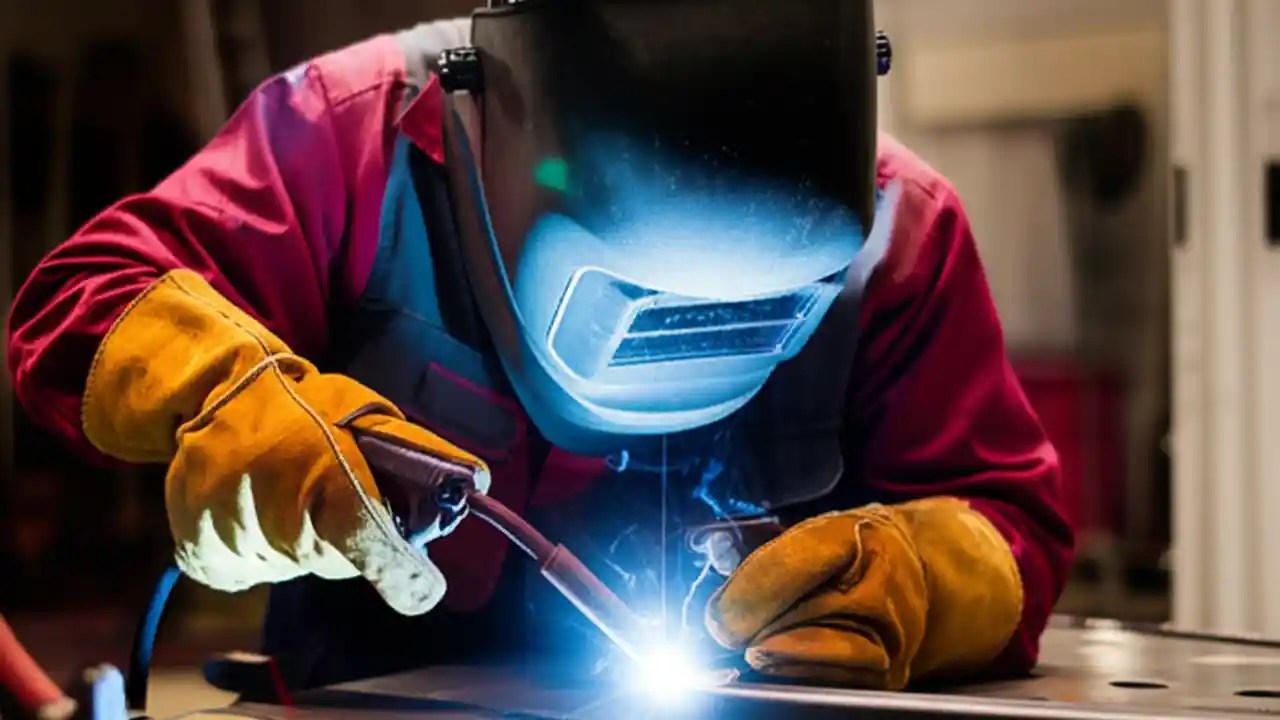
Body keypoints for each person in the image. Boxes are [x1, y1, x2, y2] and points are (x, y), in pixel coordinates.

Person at [5, 1, 1072, 694]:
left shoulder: (901, 230)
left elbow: (1008, 514)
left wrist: (926, 580)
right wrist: (231, 396)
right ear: (497, 112)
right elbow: (84, 296)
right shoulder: (346, 139)